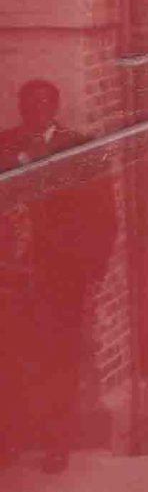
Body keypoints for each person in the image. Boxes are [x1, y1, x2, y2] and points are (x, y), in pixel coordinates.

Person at [0, 81, 116, 471]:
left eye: (42, 106)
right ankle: (10, 442)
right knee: (11, 356)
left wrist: (92, 268)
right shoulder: (3, 145)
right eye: (27, 107)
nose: (34, 114)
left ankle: (56, 443)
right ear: (19, 109)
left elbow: (103, 215)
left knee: (58, 358)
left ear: (55, 107)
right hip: (11, 274)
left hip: (60, 273)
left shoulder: (81, 148)